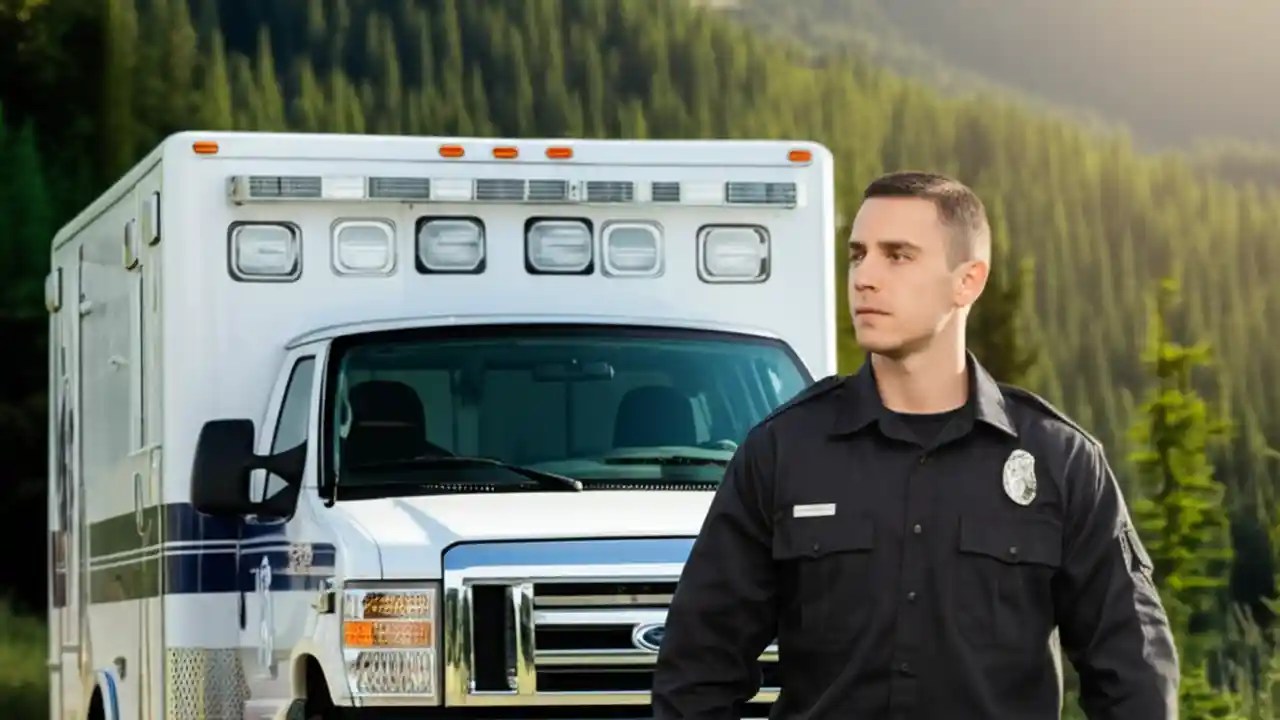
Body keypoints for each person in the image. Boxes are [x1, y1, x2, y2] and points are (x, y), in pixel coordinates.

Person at [650, 171, 1178, 719]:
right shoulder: (784, 452)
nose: (864, 278)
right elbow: (697, 668)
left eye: (898, 256)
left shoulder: (1060, 460)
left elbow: (1132, 670)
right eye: (858, 254)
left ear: (967, 281)